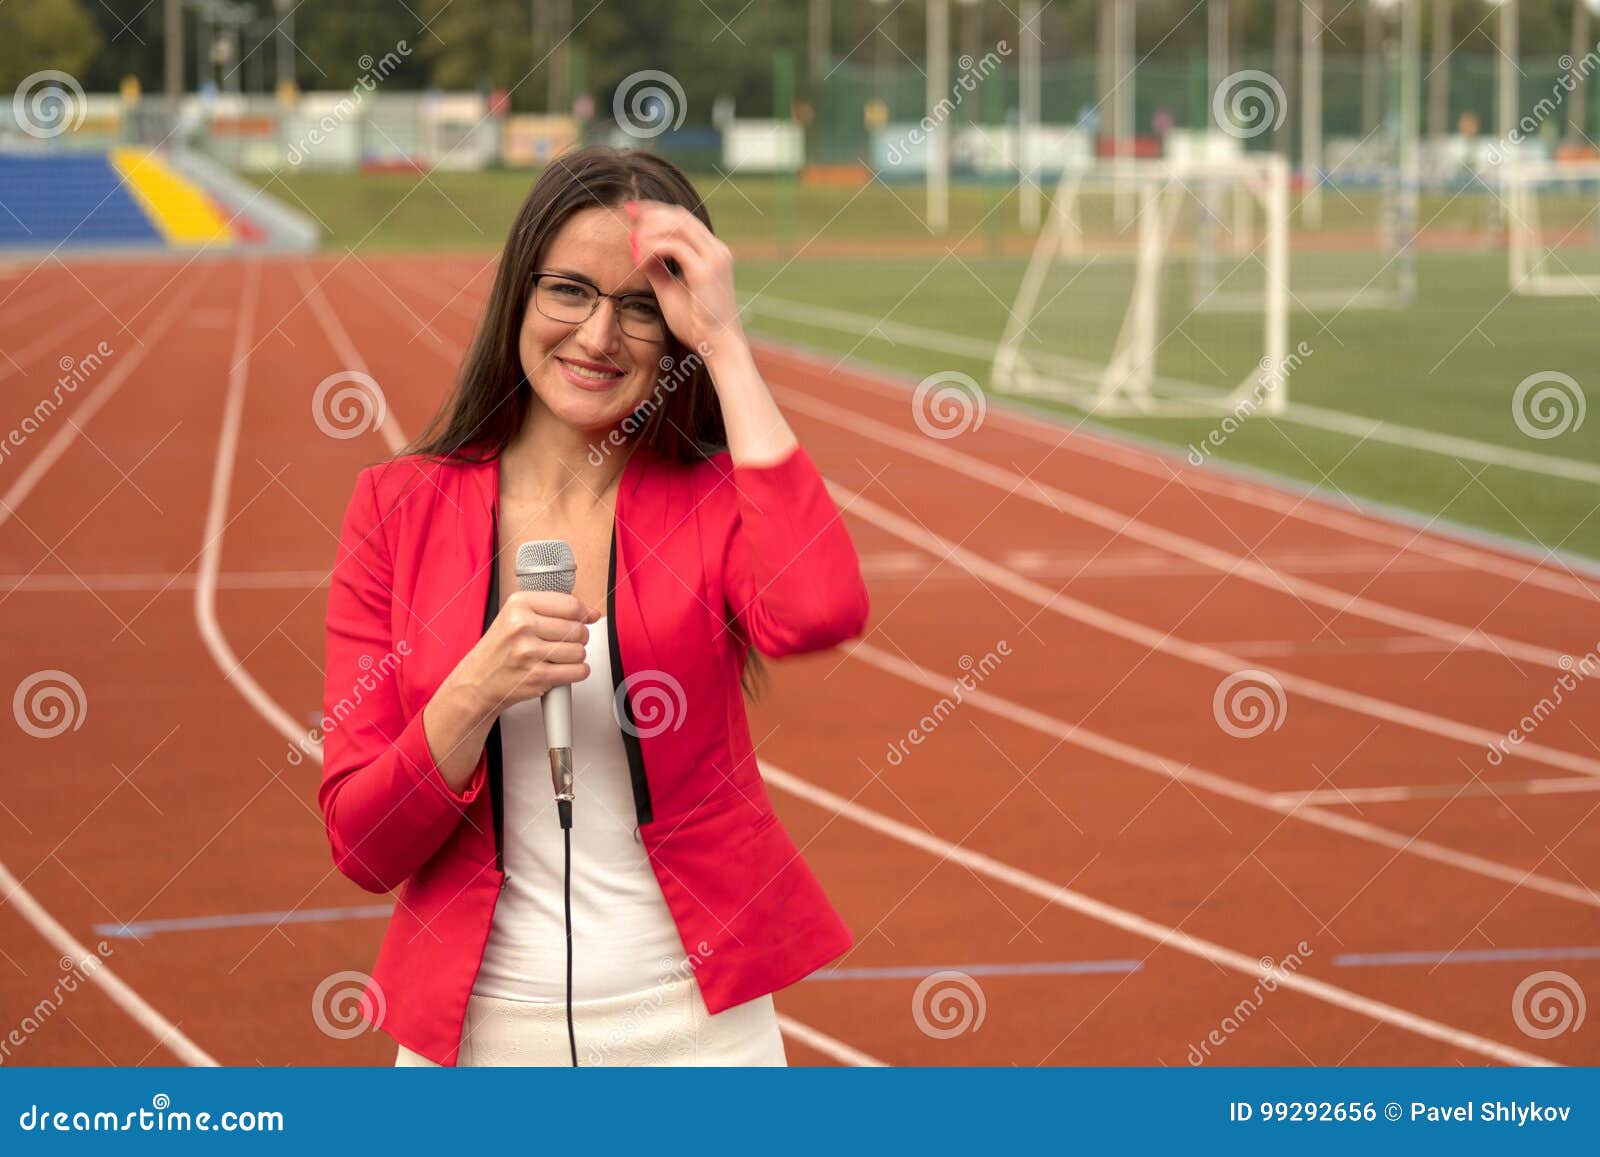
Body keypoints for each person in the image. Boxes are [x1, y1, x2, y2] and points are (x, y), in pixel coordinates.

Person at [317, 145, 870, 1067]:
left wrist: (729, 344)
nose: (599, 336)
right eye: (569, 290)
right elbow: (362, 842)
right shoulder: (398, 508)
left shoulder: (710, 502)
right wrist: (473, 691)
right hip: (478, 1038)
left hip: (698, 1034)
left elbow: (819, 608)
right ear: (519, 295)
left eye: (644, 306)